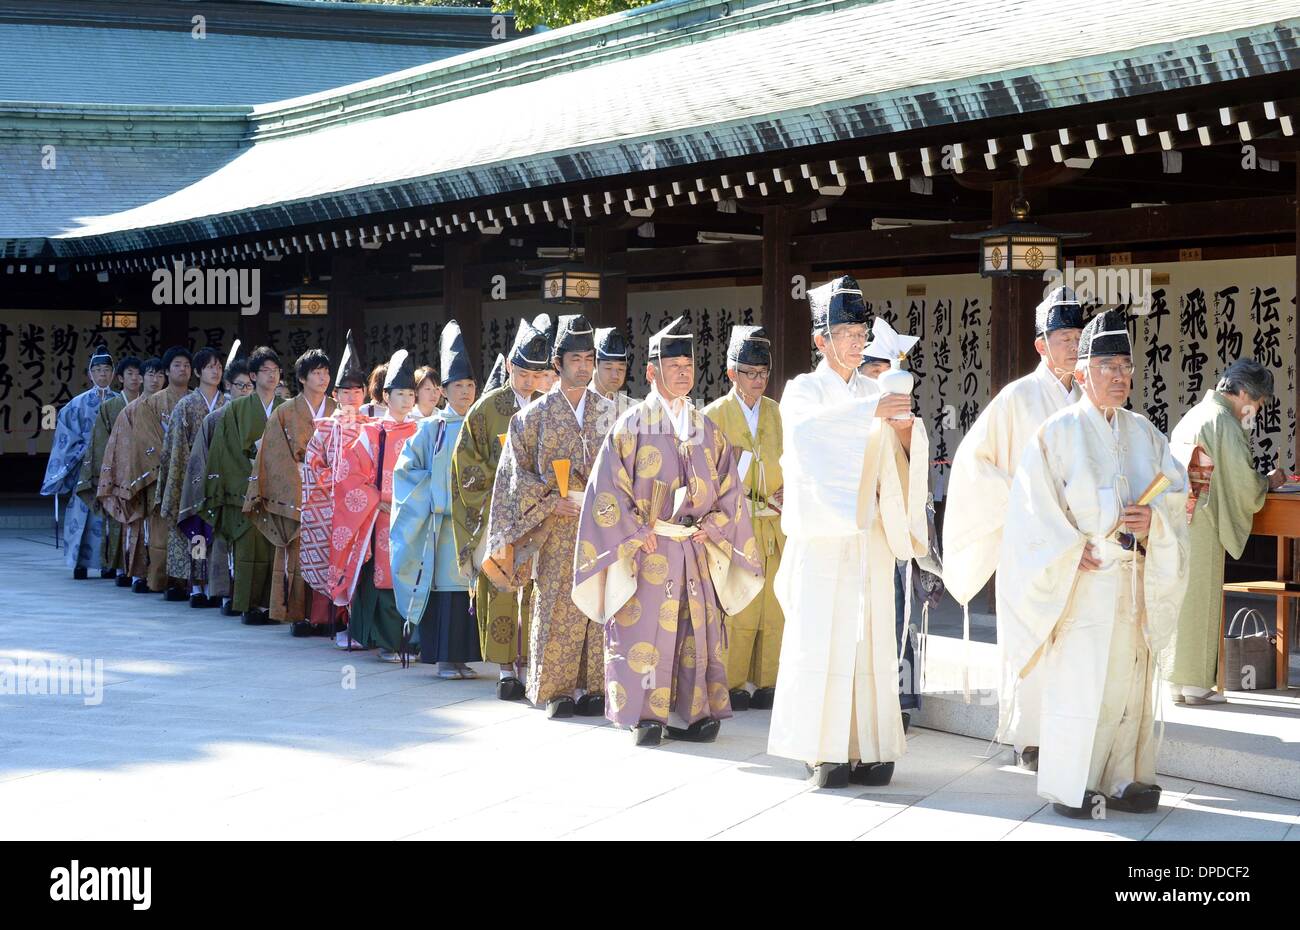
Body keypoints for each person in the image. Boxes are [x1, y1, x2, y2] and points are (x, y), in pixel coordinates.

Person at [998, 308, 1189, 817]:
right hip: (1086, 578)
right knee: (1084, 684)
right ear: (1081, 373)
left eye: (1126, 366)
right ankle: (1072, 782)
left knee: (1130, 683)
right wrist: (1067, 548)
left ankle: (1127, 777)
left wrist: (1157, 526)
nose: (1120, 376)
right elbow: (1030, 510)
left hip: (1135, 579)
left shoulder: (1146, 432)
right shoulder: (1056, 433)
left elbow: (1175, 495)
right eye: (1107, 366)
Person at [766, 275, 929, 789]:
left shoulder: (872, 388)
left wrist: (904, 435)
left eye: (862, 334)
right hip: (826, 534)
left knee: (872, 639)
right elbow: (809, 439)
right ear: (821, 340)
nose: (858, 344)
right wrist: (869, 413)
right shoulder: (802, 390)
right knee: (825, 638)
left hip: (870, 534)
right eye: (848, 334)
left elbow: (897, 457)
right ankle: (823, 750)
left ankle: (870, 745)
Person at [572, 316, 763, 745]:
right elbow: (606, 491)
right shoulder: (630, 427)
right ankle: (646, 717)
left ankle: (694, 715)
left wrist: (713, 525)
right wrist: (634, 531)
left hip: (693, 547)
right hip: (649, 545)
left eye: (688, 365)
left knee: (696, 634)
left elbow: (730, 489)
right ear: (652, 371)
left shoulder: (705, 429)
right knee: (645, 634)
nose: (683, 372)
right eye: (673, 365)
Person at [943, 285, 1085, 771]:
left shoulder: (1091, 396)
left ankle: (1073, 728)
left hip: (1082, 540)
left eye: (1077, 335)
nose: (1072, 345)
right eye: (1062, 337)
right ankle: (1031, 737)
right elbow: (973, 462)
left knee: (1075, 635)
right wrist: (1026, 497)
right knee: (1032, 633)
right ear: (1040, 345)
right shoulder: (1018, 397)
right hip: (1031, 540)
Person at [486, 314, 612, 717]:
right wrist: (548, 501)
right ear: (556, 363)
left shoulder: (610, 414)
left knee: (599, 601)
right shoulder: (530, 417)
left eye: (589, 358)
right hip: (555, 523)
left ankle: (595, 687)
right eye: (575, 359)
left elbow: (626, 470)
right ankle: (554, 689)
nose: (584, 366)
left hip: (598, 521)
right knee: (556, 601)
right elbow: (512, 478)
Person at [1165, 359, 1286, 704]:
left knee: (1183, 597)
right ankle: (1195, 684)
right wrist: (1268, 481)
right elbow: (1244, 486)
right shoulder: (1224, 422)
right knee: (1200, 598)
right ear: (1244, 392)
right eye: (1258, 403)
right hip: (1203, 517)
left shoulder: (1196, 415)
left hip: (1181, 513)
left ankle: (1178, 680)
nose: (1256, 411)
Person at [451, 317, 552, 700]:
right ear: (510, 366)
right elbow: (465, 465)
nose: (529, 381)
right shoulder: (486, 409)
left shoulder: (549, 408)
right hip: (500, 516)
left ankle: (532, 663)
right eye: (523, 372)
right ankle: (507, 669)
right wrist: (501, 492)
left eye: (536, 374)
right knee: (503, 589)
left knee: (536, 591)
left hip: (539, 515)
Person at [391, 321, 482, 678]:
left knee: (468, 590)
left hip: (473, 523)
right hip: (442, 525)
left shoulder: (481, 423)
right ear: (443, 391)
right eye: (458, 386)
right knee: (446, 588)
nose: (465, 392)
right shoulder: (431, 428)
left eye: (470, 385)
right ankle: (445, 658)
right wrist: (439, 496)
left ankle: (462, 657)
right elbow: (406, 473)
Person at [702, 326, 785, 711]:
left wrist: (793, 490)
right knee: (737, 602)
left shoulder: (779, 413)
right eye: (749, 372)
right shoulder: (713, 416)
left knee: (774, 604)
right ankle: (732, 681)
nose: (757, 380)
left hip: (774, 523)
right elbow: (701, 472)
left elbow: (798, 461)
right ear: (731, 373)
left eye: (763, 373)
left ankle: (769, 681)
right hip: (734, 524)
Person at [858, 318, 926, 730]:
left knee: (899, 610)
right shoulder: (849, 414)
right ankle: (865, 698)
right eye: (873, 372)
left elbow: (915, 466)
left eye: (888, 373)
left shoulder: (900, 412)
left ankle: (899, 699)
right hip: (860, 529)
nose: (881, 382)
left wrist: (904, 434)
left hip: (892, 528)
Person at [331, 350, 420, 661]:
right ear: (386, 395)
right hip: (381, 515)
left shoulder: (422, 430)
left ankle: (412, 641)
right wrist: (377, 500)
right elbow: (349, 474)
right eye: (401, 394)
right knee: (383, 576)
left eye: (411, 393)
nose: (408, 400)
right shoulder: (372, 432)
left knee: (413, 574)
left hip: (414, 516)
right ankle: (385, 640)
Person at [245, 348, 337, 635]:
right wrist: (300, 477)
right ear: (302, 378)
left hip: (333, 491)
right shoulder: (284, 412)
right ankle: (299, 614)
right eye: (316, 373)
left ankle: (328, 616)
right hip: (297, 490)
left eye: (326, 373)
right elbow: (271, 456)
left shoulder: (338, 410)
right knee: (297, 555)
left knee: (330, 555)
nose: (323, 379)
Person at [205, 346, 285, 624]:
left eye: (275, 371)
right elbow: (225, 452)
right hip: (247, 489)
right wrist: (252, 477)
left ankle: (271, 606)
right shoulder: (236, 409)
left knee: (276, 549)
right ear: (253, 375)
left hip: (280, 490)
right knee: (249, 548)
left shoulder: (286, 408)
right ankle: (248, 605)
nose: (271, 376)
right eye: (265, 371)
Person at [301, 331, 370, 650]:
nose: (352, 397)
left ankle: (360, 624)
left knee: (364, 567)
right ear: (337, 394)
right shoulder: (326, 427)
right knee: (336, 561)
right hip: (332, 509)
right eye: (346, 391)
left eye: (357, 391)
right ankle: (333, 619)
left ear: (365, 392)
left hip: (366, 511)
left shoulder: (375, 425)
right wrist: (338, 483)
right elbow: (313, 467)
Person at [180, 346, 250, 613]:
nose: (244, 390)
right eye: (239, 385)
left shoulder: (261, 416)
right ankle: (214, 590)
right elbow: (195, 455)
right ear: (229, 386)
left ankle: (244, 594)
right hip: (216, 489)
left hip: (249, 490)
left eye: (248, 385)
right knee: (213, 540)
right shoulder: (212, 417)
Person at [158, 347, 226, 607]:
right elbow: (175, 447)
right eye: (209, 367)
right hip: (193, 479)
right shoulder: (185, 405)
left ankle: (215, 584)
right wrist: (192, 476)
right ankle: (196, 585)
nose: (215, 371)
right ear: (198, 372)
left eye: (218, 366)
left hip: (221, 480)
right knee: (196, 531)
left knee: (218, 533)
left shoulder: (228, 404)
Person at [44, 344, 116, 579]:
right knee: (81, 516)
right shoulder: (76, 405)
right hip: (83, 470)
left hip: (113, 471)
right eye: (98, 370)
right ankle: (79, 563)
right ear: (90, 374)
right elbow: (65, 438)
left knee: (110, 517)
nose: (102, 374)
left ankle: (109, 563)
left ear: (113, 373)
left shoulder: (122, 403)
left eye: (107, 370)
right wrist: (83, 454)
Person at [98, 356, 166, 590]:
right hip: (136, 476)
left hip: (164, 477)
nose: (154, 380)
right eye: (150, 375)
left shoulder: (170, 407)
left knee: (162, 528)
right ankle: (137, 574)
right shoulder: (129, 411)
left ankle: (163, 576)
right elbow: (121, 446)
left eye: (159, 375)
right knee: (137, 525)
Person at [78, 355, 142, 585]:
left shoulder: (149, 404)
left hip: (144, 473)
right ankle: (114, 566)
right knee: (116, 522)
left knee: (139, 524)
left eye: (138, 373)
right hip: (117, 473)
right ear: (121, 377)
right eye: (130, 374)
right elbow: (101, 442)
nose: (135, 378)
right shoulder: (110, 407)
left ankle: (136, 569)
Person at [139, 346, 194, 596]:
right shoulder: (153, 403)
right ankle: (162, 579)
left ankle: (191, 583)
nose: (182, 369)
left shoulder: (198, 400)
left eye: (186, 365)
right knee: (162, 533)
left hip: (194, 477)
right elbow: (146, 440)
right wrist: (172, 465)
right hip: (164, 476)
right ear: (167, 371)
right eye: (177, 365)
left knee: (192, 531)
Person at [593, 326, 636, 417]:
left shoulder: (632, 409)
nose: (615, 375)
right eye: (608, 368)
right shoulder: (578, 404)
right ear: (594, 364)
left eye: (621, 369)